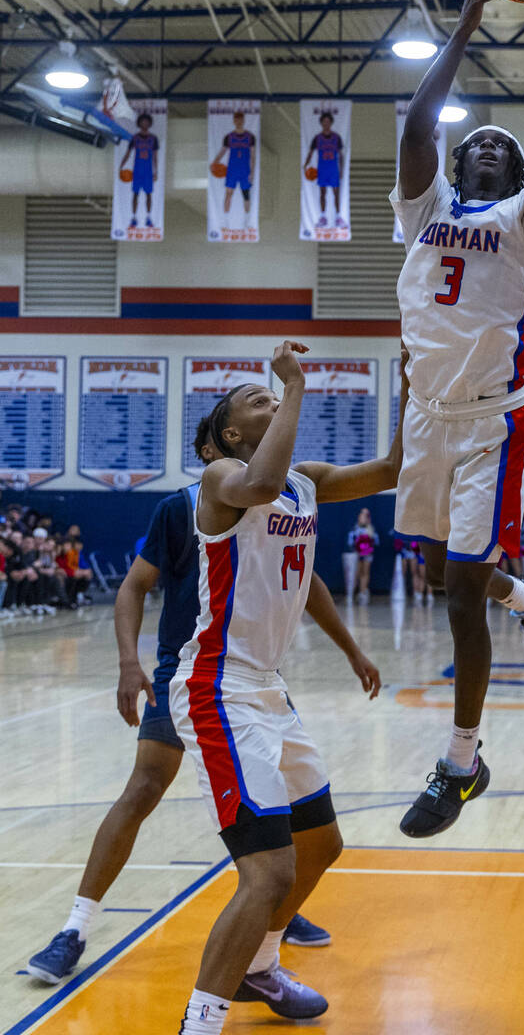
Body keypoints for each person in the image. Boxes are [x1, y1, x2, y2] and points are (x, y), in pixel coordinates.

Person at [25, 418, 382, 988]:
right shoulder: (184, 505)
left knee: (288, 811)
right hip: (190, 672)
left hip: (254, 675)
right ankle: (75, 926)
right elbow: (134, 585)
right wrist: (127, 662)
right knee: (144, 788)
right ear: (217, 447)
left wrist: (352, 650)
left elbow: (307, 579)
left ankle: (268, 910)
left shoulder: (286, 498)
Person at [389, 0, 524, 839]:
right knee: (440, 576)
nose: (491, 153)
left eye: (504, 151)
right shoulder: (423, 208)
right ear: (460, 168)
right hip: (423, 416)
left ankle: (461, 763)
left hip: (490, 424)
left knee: (461, 592)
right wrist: (466, 20)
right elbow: (417, 128)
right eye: (480, 147)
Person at [168, 340, 406, 1032]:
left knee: (322, 845)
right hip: (217, 686)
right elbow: (260, 488)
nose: (268, 398)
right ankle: (200, 1022)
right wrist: (294, 385)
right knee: (267, 873)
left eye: (271, 394)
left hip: (268, 689)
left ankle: (260, 965)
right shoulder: (222, 481)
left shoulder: (307, 480)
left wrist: (416, 383)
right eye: (256, 401)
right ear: (229, 436)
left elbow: (391, 469)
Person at [303, 110, 346, 230]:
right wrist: (305, 165)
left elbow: (341, 155)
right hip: (322, 168)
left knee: (336, 193)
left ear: (331, 123)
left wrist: (341, 170)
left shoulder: (336, 138)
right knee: (322, 193)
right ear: (321, 123)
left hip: (333, 169)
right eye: (324, 121)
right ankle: (323, 216)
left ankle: (338, 217)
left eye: (328, 121)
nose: (326, 123)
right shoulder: (317, 138)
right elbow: (310, 153)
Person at [211, 111, 255, 215]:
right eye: (237, 120)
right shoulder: (229, 137)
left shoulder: (250, 137)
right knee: (228, 194)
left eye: (241, 119)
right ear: (234, 121)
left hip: (245, 170)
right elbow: (222, 152)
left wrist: (252, 172)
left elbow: (253, 156)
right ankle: (225, 218)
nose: (239, 122)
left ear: (243, 121)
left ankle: (247, 220)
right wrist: (214, 163)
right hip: (232, 170)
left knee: (246, 194)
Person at [119, 111, 159, 227]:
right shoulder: (135, 138)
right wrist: (121, 166)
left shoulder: (153, 138)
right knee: (135, 194)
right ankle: (133, 218)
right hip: (137, 170)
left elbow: (155, 157)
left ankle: (149, 217)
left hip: (148, 171)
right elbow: (128, 153)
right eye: (143, 121)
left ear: (149, 123)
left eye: (147, 122)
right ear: (139, 123)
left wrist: (156, 171)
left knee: (148, 194)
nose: (145, 123)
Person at [347, 507, 378, 603]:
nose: (364, 518)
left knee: (365, 572)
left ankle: (363, 592)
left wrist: (369, 539)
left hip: (367, 554)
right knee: (357, 573)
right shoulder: (355, 529)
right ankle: (352, 593)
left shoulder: (370, 529)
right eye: (362, 515)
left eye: (366, 516)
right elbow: (350, 541)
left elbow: (376, 542)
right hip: (357, 554)